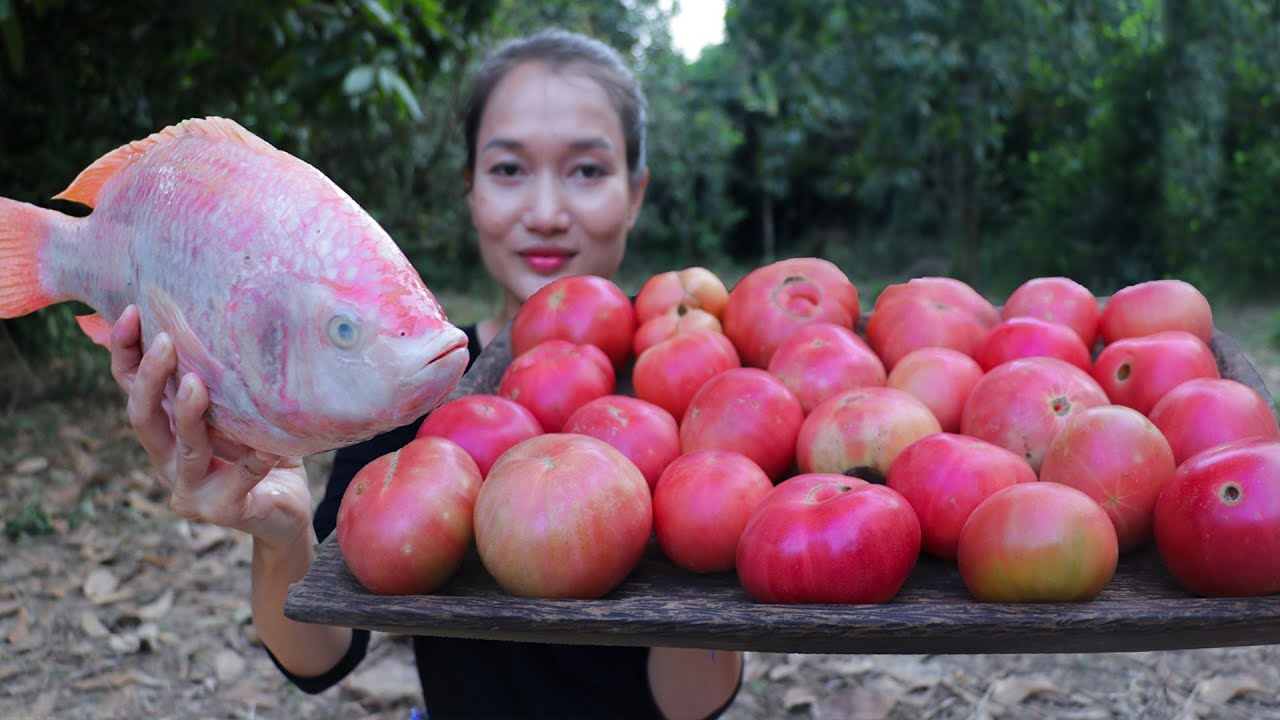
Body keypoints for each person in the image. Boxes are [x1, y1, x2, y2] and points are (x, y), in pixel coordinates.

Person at [107, 28, 744, 720]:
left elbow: (693, 705)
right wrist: (282, 534)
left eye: (587, 171)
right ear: (470, 187)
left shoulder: (690, 391)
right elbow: (322, 656)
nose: (547, 212)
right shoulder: (404, 382)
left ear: (636, 191)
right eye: (508, 170)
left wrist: (709, 542)